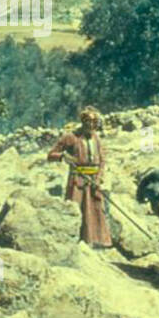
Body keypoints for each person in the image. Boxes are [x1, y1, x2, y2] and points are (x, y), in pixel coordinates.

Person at [47, 106, 113, 248]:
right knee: (76, 209)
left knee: (95, 211)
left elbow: (102, 161)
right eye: (88, 121)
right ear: (82, 121)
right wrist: (63, 156)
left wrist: (99, 178)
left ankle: (95, 243)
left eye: (94, 122)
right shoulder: (71, 137)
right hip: (77, 180)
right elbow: (51, 155)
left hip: (93, 181)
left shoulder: (96, 138)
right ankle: (72, 243)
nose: (91, 125)